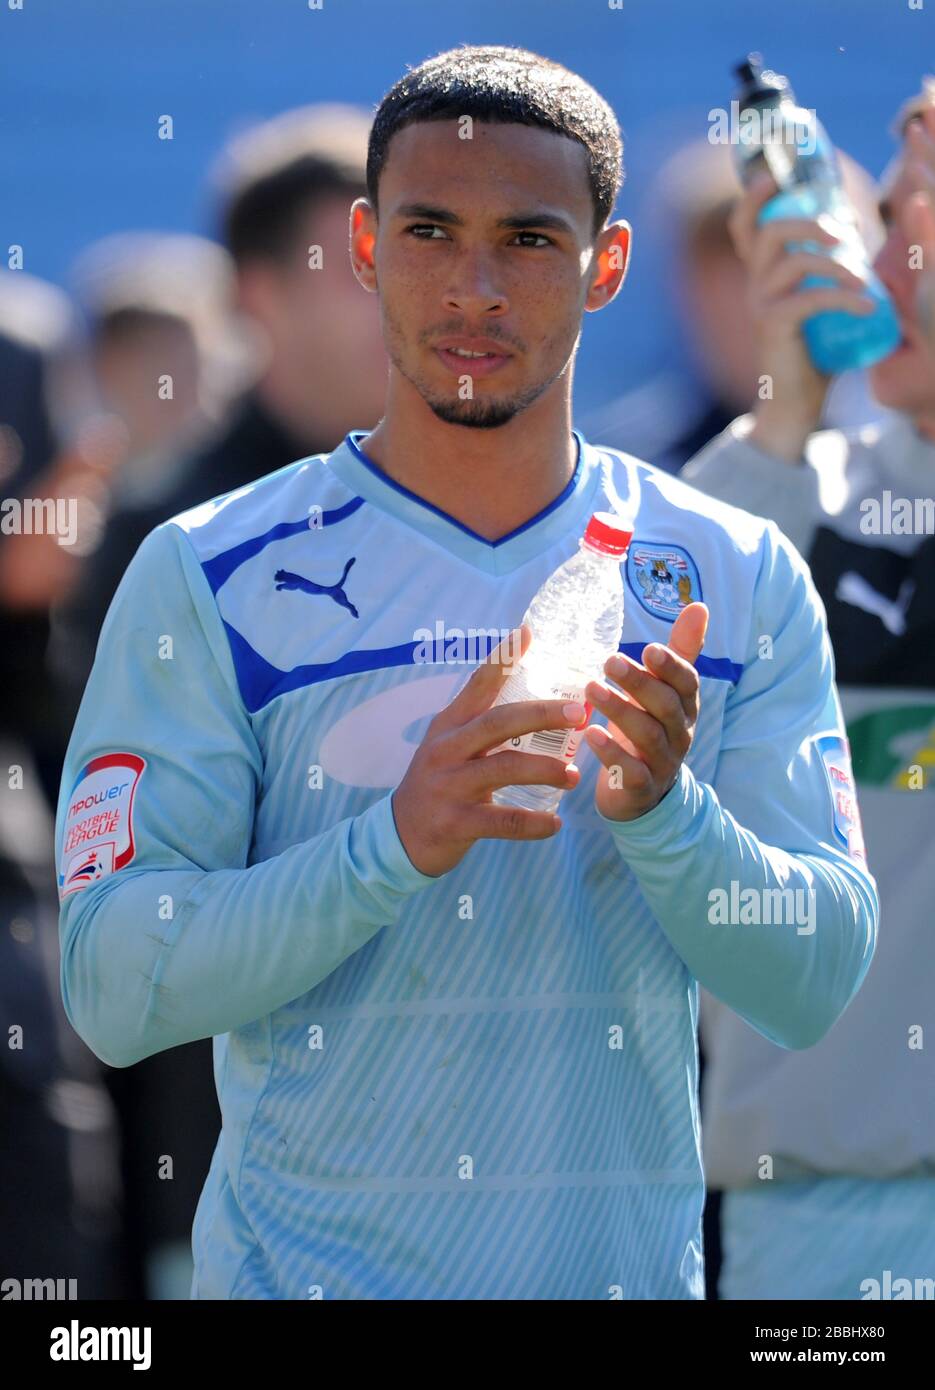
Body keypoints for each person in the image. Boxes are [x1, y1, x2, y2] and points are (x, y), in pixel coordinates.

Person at [56, 45, 877, 1300]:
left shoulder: (729, 565)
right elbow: (116, 984)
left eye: (530, 240)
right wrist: (391, 842)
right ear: (365, 246)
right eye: (429, 231)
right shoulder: (208, 569)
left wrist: (669, 818)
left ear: (606, 266)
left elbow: (815, 977)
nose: (474, 286)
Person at [683, 82, 935, 1300]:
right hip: (818, 1231)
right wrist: (784, 395)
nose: (876, 255)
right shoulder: (798, 491)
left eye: (911, 220)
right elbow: (649, 701)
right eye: (879, 215)